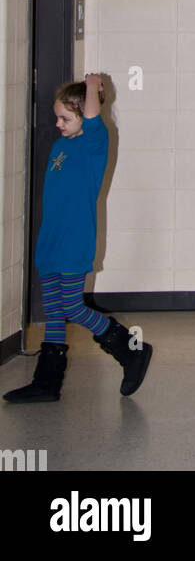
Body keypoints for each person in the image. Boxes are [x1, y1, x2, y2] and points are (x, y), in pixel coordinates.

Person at [4, 74, 153, 404]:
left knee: (72, 304)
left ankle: (132, 351)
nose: (58, 124)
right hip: (50, 240)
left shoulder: (93, 141)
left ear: (83, 115)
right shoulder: (63, 144)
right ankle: (47, 382)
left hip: (74, 241)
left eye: (64, 118)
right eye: (57, 117)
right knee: (54, 310)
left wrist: (92, 85)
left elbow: (91, 116)